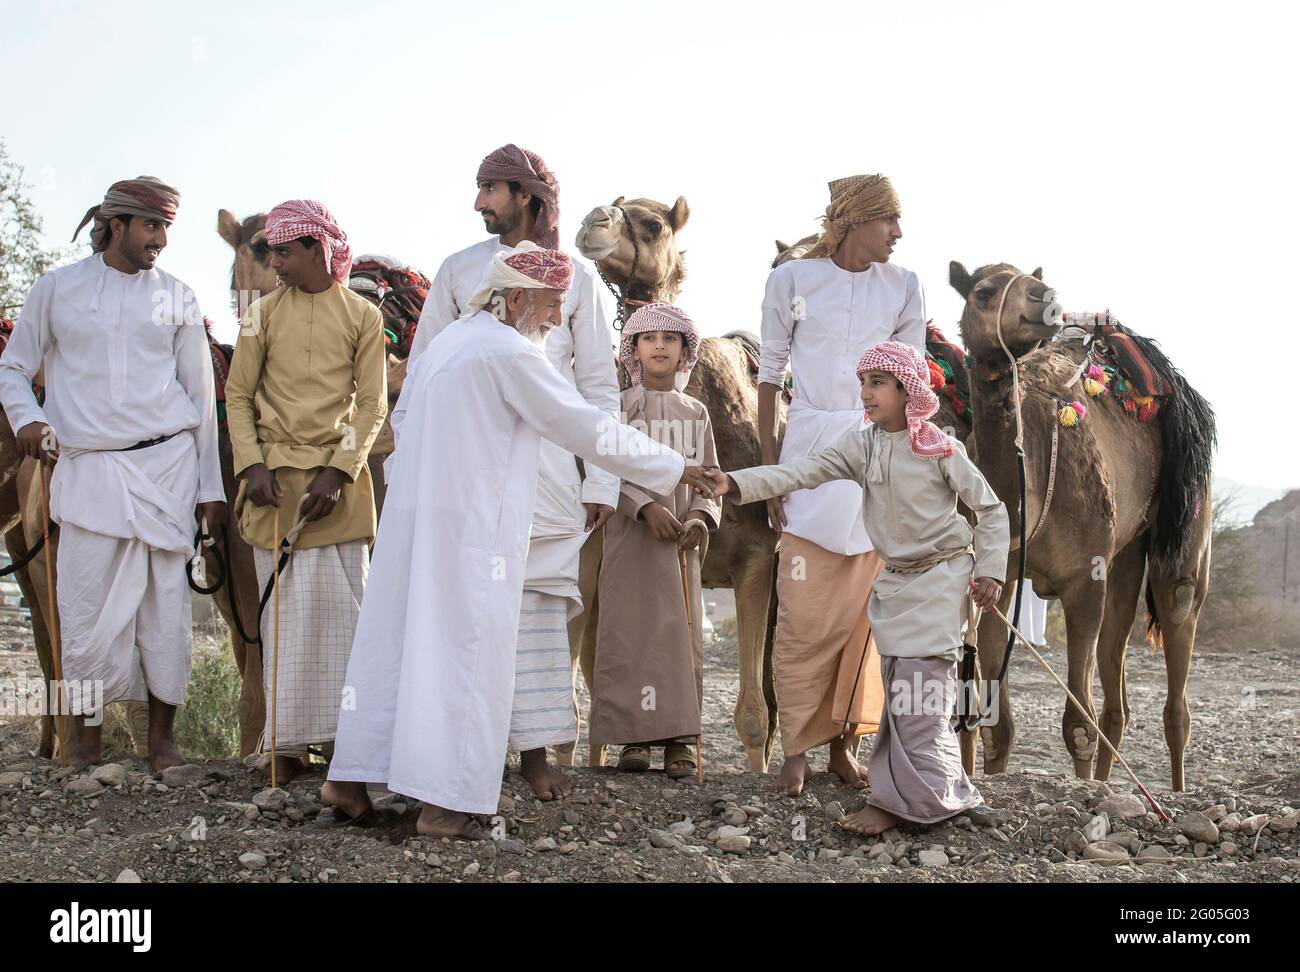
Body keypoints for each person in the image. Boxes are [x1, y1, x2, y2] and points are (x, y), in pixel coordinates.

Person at [322, 244, 713, 838]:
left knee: (397, 646)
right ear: (518, 297)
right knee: (468, 654)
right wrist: (675, 467)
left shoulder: (449, 344)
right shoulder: (509, 352)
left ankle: (348, 778)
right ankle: (445, 804)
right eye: (554, 305)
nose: (557, 320)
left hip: (416, 522)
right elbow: (585, 427)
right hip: (473, 531)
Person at [709, 341, 1008, 834]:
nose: (865, 393)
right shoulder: (862, 445)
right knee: (908, 693)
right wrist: (735, 484)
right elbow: (801, 471)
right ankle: (948, 794)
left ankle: (897, 804)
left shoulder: (941, 448)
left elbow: (991, 510)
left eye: (877, 383)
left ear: (907, 390)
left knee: (919, 693)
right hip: (895, 585)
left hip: (941, 579)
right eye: (863, 382)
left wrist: (990, 572)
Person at [404, 143, 620, 799]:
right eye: (478, 188)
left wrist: (602, 477)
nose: (478, 202)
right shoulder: (458, 270)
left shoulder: (575, 276)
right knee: (463, 602)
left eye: (491, 189)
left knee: (535, 610)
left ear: (525, 195)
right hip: (463, 468)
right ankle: (461, 750)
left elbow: (597, 386)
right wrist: (406, 461)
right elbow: (422, 370)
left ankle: (534, 755)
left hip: (548, 471)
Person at [0, 176, 225, 770]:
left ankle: (162, 746)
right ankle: (87, 745)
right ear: (115, 224)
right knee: (86, 608)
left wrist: (209, 492)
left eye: (168, 228)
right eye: (152, 227)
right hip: (89, 468)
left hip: (166, 466)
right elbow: (14, 367)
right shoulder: (57, 290)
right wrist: (27, 419)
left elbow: (200, 401)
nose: (162, 240)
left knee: (165, 608)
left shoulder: (178, 295)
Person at [757, 173, 926, 795]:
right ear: (855, 219)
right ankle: (795, 752)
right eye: (890, 221)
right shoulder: (792, 281)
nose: (899, 235)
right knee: (805, 614)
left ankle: (843, 748)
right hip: (808, 456)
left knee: (863, 617)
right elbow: (770, 380)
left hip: (879, 461)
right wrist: (773, 473)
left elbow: (912, 385)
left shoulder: (904, 285)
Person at [224, 199, 388, 783]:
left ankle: (348, 748)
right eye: (269, 252)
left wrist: (339, 471)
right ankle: (286, 747)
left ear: (318, 249)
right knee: (284, 622)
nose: (275, 263)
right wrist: (251, 466)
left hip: (338, 491)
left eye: (285, 252)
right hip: (274, 489)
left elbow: (372, 406)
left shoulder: (364, 317)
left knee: (348, 617)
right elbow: (238, 397)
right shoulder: (260, 315)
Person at [588, 303, 720, 777]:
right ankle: (633, 740)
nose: (659, 345)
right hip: (630, 537)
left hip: (680, 545)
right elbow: (604, 468)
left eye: (670, 338)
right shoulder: (617, 408)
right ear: (634, 350)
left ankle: (681, 740)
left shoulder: (696, 412)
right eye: (649, 338)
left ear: (685, 350)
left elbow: (709, 477)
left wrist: (701, 518)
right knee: (629, 631)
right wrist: (644, 507)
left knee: (680, 637)